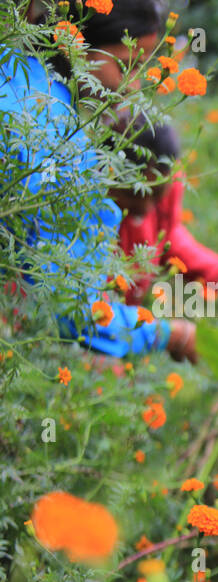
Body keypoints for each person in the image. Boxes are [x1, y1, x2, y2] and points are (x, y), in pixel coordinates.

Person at [1, 0, 196, 361]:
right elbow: (71, 309)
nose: (133, 86)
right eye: (128, 66)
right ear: (78, 42)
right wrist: (169, 333)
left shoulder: (8, 67)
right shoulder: (60, 142)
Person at [111, 114, 218, 305]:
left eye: (156, 195)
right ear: (108, 172)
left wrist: (216, 270)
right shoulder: (85, 206)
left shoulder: (169, 179)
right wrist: (167, 333)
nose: (146, 208)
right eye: (135, 193)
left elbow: (168, 233)